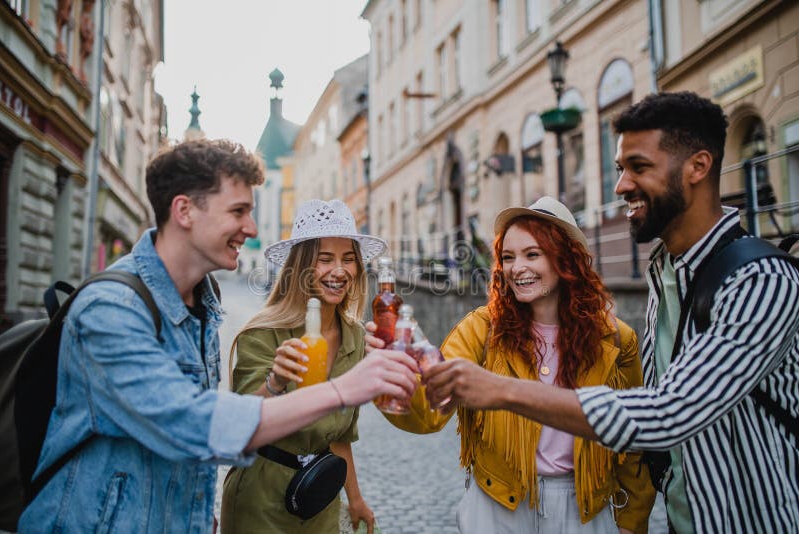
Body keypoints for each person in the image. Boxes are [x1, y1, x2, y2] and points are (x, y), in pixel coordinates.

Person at [423, 92, 799, 533]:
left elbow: (665, 414)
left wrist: (502, 391)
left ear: (697, 167)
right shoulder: (668, 276)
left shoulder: (761, 281)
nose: (620, 186)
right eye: (620, 170)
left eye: (639, 168)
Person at [18, 141, 418, 533]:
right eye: (238, 211)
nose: (252, 228)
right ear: (185, 210)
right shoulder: (112, 309)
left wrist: (196, 511)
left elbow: (191, 455)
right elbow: (193, 424)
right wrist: (342, 389)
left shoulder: (202, 306)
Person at [368, 197, 655, 534]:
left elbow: (634, 440)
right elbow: (430, 411)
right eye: (508, 257)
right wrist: (389, 374)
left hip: (585, 508)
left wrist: (633, 522)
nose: (517, 268)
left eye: (532, 254)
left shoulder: (615, 339)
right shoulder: (482, 329)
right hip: (499, 506)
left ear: (566, 259)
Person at [221, 199, 388, 534]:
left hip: (320, 495)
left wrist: (355, 498)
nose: (338, 271)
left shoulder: (355, 337)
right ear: (301, 268)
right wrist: (276, 382)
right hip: (261, 497)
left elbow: (339, 434)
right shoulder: (263, 334)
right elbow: (239, 426)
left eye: (348, 259)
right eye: (325, 259)